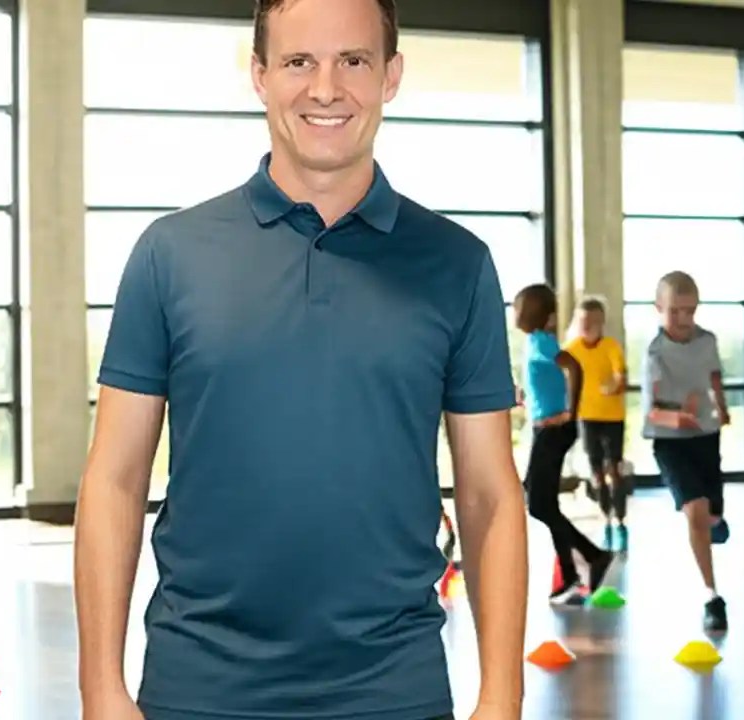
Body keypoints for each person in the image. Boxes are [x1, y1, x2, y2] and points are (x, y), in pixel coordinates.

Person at [73, 1, 528, 719]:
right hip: (199, 688)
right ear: (259, 76)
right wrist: (100, 686)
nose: (325, 89)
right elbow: (114, 479)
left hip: (394, 690)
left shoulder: (458, 265)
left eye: (353, 61)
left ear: (391, 76)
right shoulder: (170, 255)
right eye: (298, 62)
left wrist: (503, 694)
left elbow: (490, 495)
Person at [641, 271, 731, 633]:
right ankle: (712, 596)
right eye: (674, 311)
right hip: (670, 441)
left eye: (690, 311)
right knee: (695, 510)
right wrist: (678, 415)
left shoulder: (707, 340)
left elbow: (713, 376)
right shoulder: (655, 352)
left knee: (710, 515)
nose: (683, 320)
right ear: (658, 309)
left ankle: (713, 521)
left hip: (706, 436)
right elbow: (651, 410)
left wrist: (720, 408)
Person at [514, 284, 614, 606]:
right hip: (544, 428)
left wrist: (571, 412)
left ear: (545, 316)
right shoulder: (533, 342)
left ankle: (586, 561)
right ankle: (579, 565)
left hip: (555, 429)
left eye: (522, 308)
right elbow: (545, 381)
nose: (516, 313)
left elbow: (573, 366)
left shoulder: (542, 340)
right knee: (539, 499)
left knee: (540, 505)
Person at [564, 297, 630, 552]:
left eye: (592, 322)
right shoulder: (571, 349)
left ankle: (621, 522)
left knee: (615, 470)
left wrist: (615, 385)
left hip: (612, 417)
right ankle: (605, 521)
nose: (587, 326)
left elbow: (620, 376)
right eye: (583, 321)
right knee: (597, 474)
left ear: (602, 323)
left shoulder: (611, 346)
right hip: (587, 418)